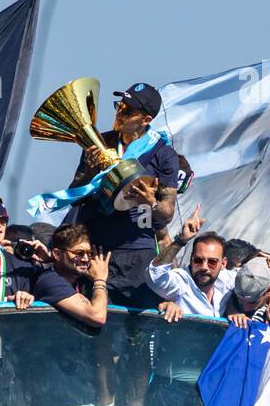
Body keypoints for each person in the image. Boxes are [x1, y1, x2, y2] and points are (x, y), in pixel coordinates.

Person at [63, 82, 181, 310]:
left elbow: (167, 213)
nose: (120, 112)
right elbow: (74, 194)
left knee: (137, 330)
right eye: (119, 105)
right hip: (99, 250)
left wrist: (150, 202)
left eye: (128, 110)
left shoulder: (163, 155)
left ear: (146, 120)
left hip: (138, 252)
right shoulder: (100, 142)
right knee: (95, 320)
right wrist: (89, 172)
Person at [147, 204, 236, 319]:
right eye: (198, 260)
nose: (204, 267)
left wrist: (268, 297)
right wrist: (180, 240)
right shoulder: (181, 281)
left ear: (223, 264)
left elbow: (254, 281)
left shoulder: (227, 280)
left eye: (212, 262)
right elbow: (154, 276)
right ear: (191, 259)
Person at [32, 223, 110, 328]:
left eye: (89, 253)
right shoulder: (50, 281)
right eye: (79, 253)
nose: (86, 259)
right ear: (57, 254)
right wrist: (100, 280)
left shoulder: (80, 281)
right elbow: (97, 317)